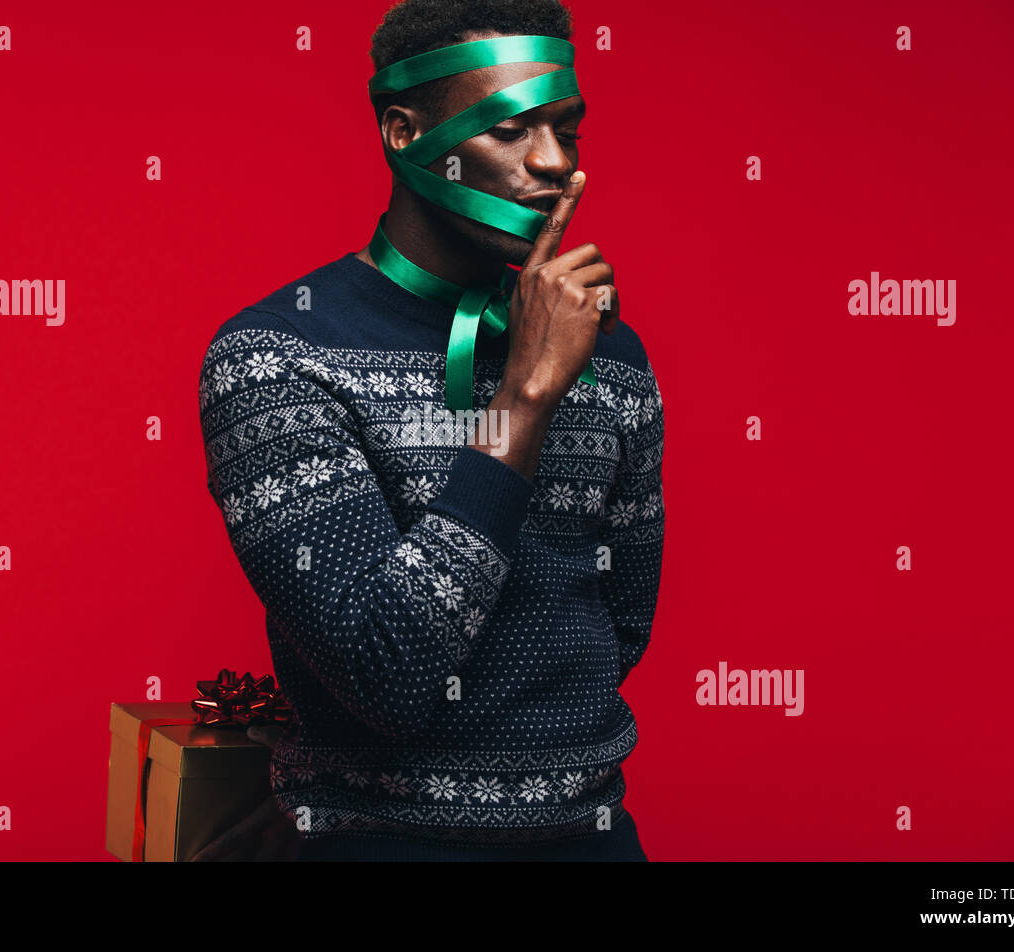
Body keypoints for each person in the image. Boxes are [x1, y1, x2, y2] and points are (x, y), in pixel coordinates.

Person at [196, 0, 664, 861]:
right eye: (510, 130)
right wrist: (523, 397)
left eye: (568, 130)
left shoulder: (612, 354)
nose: (554, 163)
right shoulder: (278, 356)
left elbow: (617, 624)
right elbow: (386, 668)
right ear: (405, 132)